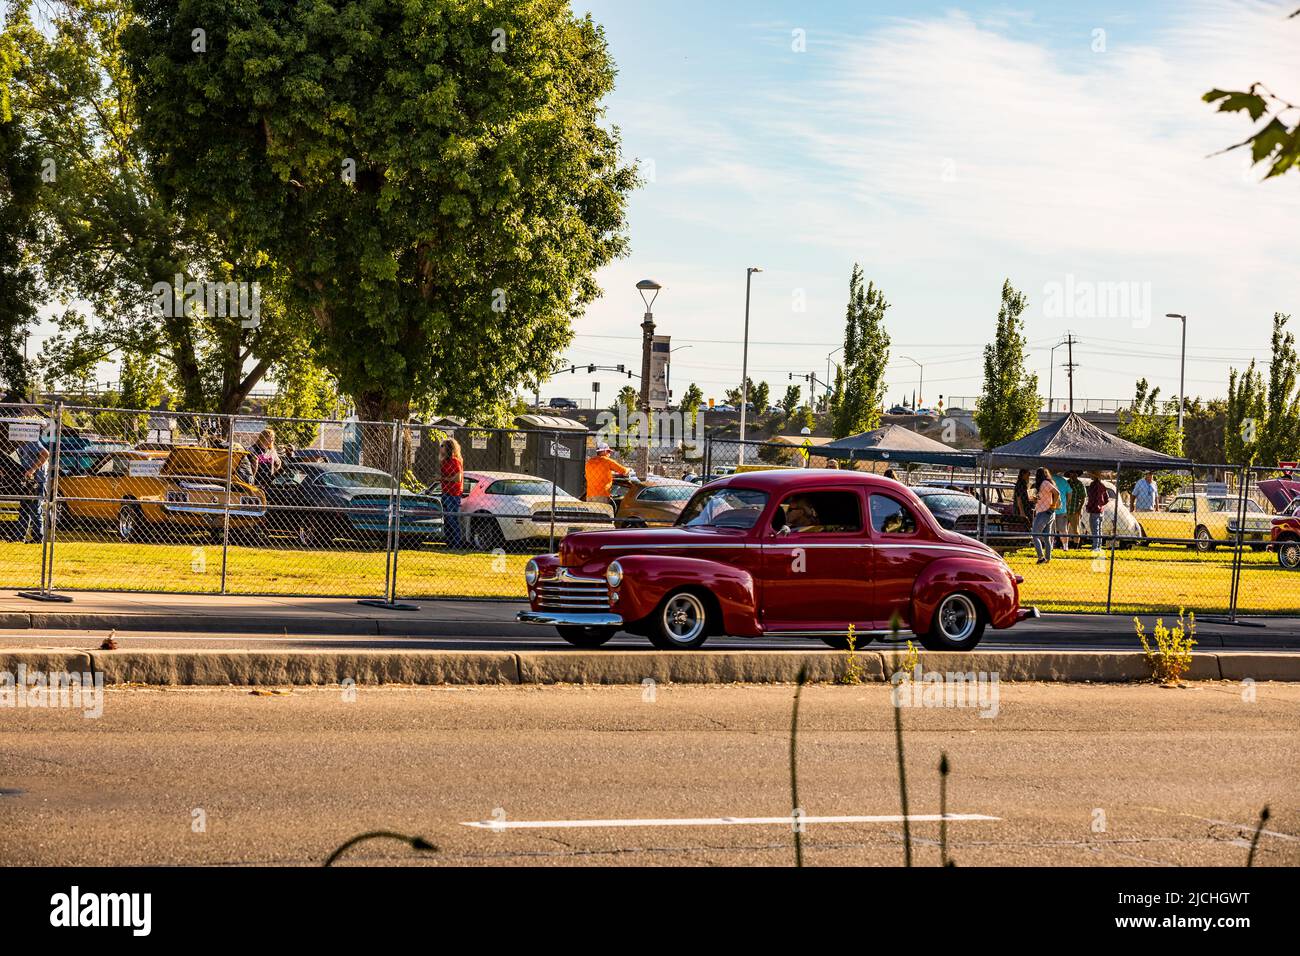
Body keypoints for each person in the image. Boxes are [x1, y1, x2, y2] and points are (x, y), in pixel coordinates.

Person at [11, 426, 49, 544]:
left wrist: (32, 470)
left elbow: (45, 454)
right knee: (24, 508)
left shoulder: (32, 442)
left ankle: (38, 537)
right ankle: (19, 536)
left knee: (35, 508)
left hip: (36, 480)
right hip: (29, 480)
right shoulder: (21, 444)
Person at [439, 438, 465, 549]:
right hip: (445, 492)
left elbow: (458, 478)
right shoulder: (444, 461)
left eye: (442, 446)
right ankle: (449, 542)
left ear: (448, 448)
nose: (440, 448)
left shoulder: (455, 461)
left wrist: (442, 478)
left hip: (453, 494)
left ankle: (457, 542)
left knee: (451, 518)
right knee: (446, 519)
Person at [1032, 467, 1059, 564]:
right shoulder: (1044, 484)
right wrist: (1036, 499)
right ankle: (1048, 558)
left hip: (1044, 512)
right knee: (1046, 537)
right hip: (1047, 512)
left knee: (1035, 535)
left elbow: (1057, 493)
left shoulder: (1045, 483)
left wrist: (1053, 505)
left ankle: (1041, 557)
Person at [1086, 471, 1110, 552]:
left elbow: (1091, 498)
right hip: (1100, 510)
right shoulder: (1102, 486)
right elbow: (1107, 499)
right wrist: (1101, 504)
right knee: (1099, 529)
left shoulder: (1093, 485)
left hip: (1094, 509)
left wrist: (1089, 506)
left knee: (1094, 529)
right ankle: (1098, 546)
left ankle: (1095, 547)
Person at [1053, 469, 1071, 551]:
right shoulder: (1063, 480)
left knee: (1050, 529)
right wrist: (1066, 502)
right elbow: (1070, 492)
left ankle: (1051, 546)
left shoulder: (1048, 480)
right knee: (1063, 529)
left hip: (1051, 507)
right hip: (1062, 508)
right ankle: (1065, 546)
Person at [1066, 471, 1086, 546]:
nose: (1073, 475)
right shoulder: (1066, 483)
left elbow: (1083, 498)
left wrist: (1079, 509)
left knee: (1075, 530)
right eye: (1071, 473)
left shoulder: (1080, 484)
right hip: (1065, 509)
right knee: (1064, 530)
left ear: (1077, 475)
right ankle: (1065, 545)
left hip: (1074, 510)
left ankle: (1076, 546)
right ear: (1069, 474)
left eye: (1075, 473)